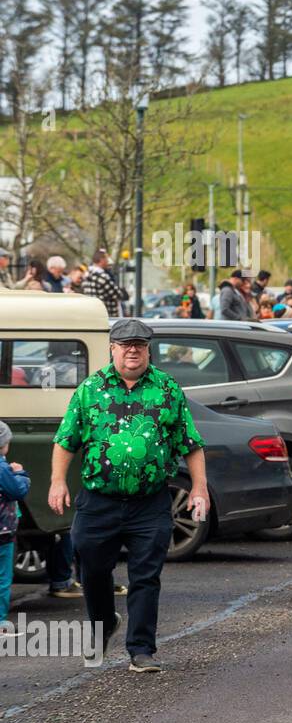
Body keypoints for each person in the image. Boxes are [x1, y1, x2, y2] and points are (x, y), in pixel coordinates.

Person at [48, 319, 207, 672]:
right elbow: (65, 440)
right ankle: (104, 622)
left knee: (145, 575)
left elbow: (191, 444)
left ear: (148, 349)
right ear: (112, 348)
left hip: (149, 502)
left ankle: (141, 649)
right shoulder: (91, 389)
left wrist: (199, 487)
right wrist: (57, 481)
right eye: (125, 344)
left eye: (139, 343)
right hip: (98, 501)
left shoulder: (167, 389)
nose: (132, 349)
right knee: (92, 567)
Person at [0, 421, 31, 630]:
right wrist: (20, 473)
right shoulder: (3, 468)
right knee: (2, 578)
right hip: (3, 531)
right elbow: (17, 491)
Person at [83, 249, 127, 317]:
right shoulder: (102, 277)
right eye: (106, 259)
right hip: (106, 314)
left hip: (91, 313)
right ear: (102, 260)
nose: (108, 262)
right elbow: (117, 294)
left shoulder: (86, 276)